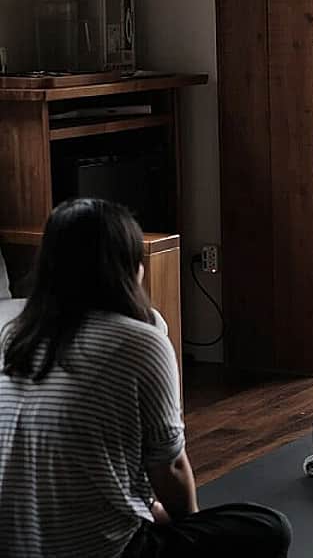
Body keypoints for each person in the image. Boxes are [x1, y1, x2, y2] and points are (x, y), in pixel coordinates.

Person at [0, 198, 290, 557]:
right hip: (105, 550)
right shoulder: (140, 341)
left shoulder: (14, 336)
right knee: (268, 528)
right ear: (128, 267)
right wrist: (192, 530)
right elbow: (168, 465)